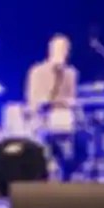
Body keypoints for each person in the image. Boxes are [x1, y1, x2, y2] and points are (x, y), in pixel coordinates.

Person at [25, 34, 79, 179]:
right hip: (41, 120)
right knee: (45, 145)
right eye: (59, 49)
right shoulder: (37, 71)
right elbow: (34, 101)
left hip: (63, 120)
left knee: (72, 147)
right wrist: (56, 75)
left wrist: (64, 104)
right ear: (50, 50)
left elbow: (71, 100)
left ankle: (67, 178)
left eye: (65, 49)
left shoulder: (70, 74)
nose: (62, 53)